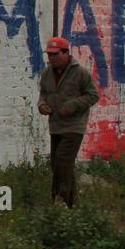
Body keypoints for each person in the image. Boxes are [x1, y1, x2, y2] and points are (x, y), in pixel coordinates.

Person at [37, 35, 100, 207]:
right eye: (49, 55)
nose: (51, 58)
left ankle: (60, 199)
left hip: (74, 126)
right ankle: (71, 204)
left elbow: (93, 95)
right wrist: (42, 105)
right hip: (55, 125)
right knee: (58, 164)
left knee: (62, 161)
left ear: (66, 53)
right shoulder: (46, 74)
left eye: (55, 54)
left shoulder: (80, 73)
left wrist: (73, 105)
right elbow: (43, 94)